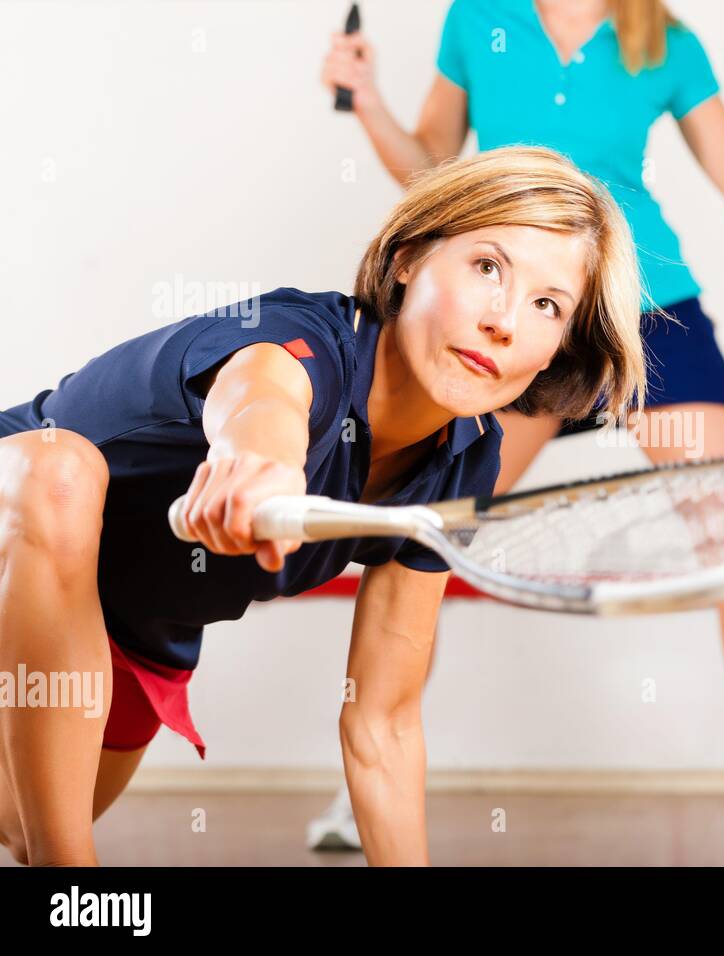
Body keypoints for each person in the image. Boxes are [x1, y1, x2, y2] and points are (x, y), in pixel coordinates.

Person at [0, 146, 645, 866]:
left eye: (547, 305)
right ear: (408, 258)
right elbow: (262, 399)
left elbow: (385, 720)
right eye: (488, 267)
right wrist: (261, 464)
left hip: (131, 637)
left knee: (23, 825)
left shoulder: (463, 461)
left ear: (558, 348)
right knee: (57, 471)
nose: (505, 321)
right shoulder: (299, 342)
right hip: (12, 534)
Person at [314, 0, 724, 852]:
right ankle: (371, 775)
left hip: (651, 314)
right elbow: (431, 167)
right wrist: (369, 98)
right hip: (525, 323)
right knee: (432, 531)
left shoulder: (664, 41)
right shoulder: (478, 22)